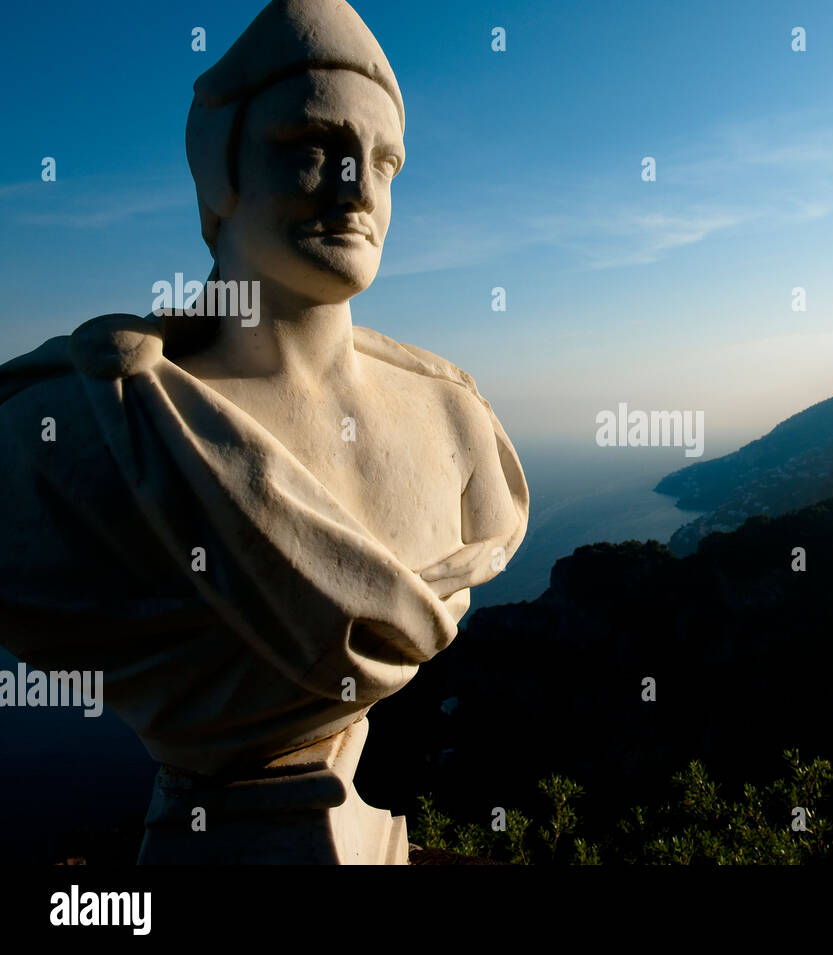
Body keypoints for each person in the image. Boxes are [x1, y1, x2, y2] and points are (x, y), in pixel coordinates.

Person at [0, 0, 528, 780]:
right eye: (314, 143)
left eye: (384, 161)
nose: (358, 191)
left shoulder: (460, 422)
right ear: (219, 176)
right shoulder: (63, 434)